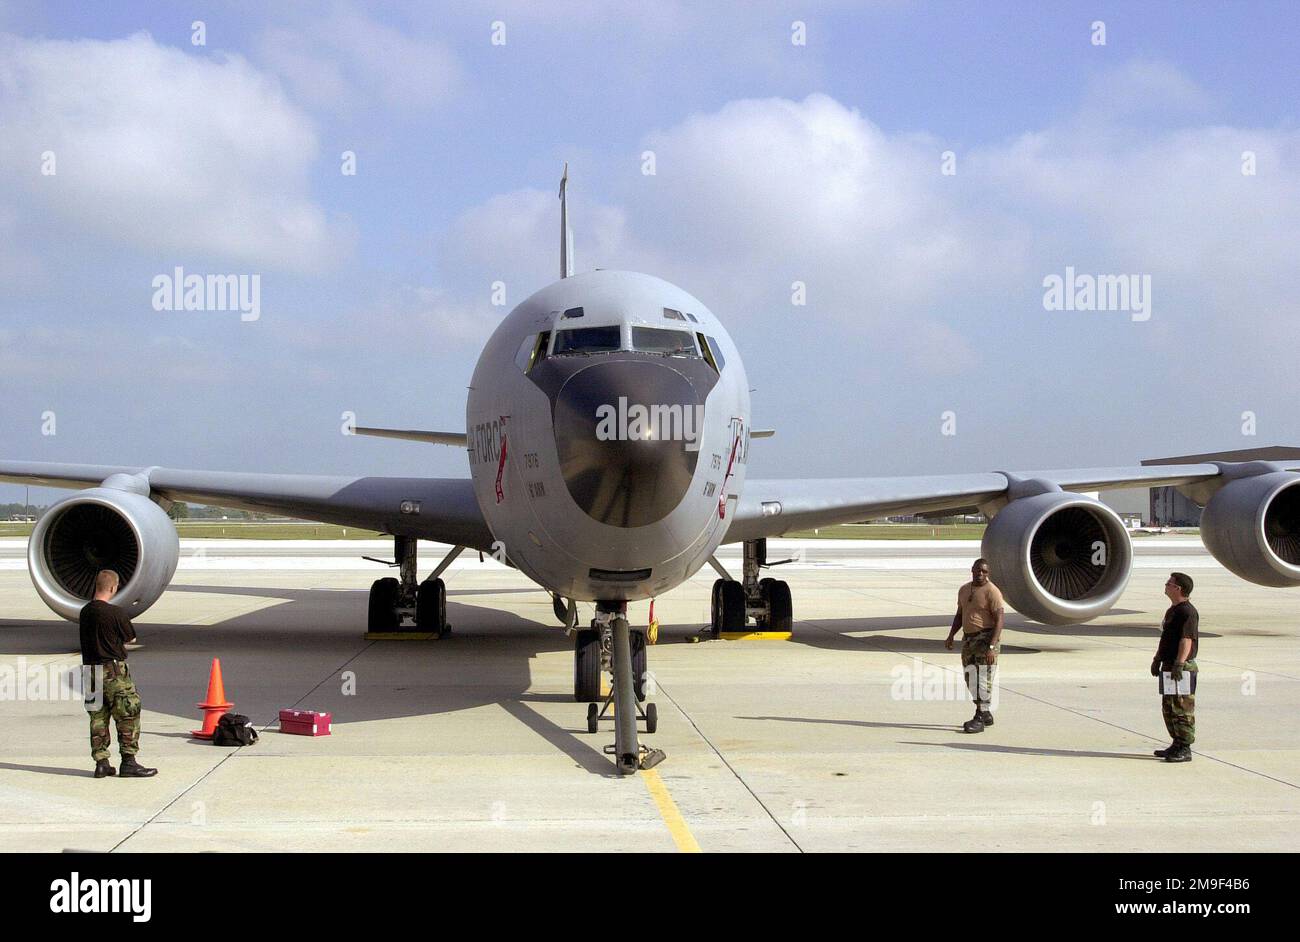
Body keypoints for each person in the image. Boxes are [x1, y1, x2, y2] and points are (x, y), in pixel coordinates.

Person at [80, 570, 157, 778]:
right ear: (113, 588)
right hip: (112, 671)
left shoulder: (85, 612)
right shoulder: (116, 613)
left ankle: (101, 762)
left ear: (96, 585)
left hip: (90, 672)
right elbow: (130, 638)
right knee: (127, 714)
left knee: (97, 717)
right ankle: (129, 761)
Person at [945, 558, 1005, 733]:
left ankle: (979, 716)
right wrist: (951, 635)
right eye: (978, 570)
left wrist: (992, 646)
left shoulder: (992, 592)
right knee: (970, 678)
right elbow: (960, 614)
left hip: (986, 638)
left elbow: (1000, 619)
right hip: (969, 639)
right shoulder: (964, 590)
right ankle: (985, 713)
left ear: (988, 573)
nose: (981, 574)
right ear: (972, 570)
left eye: (984, 572)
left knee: (983, 680)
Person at [1151, 572, 1198, 763]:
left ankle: (1185, 747)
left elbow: (1186, 640)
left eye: (1169, 584)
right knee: (1169, 706)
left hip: (1181, 667)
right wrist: (1158, 659)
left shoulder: (1187, 612)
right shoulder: (1173, 610)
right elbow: (1166, 638)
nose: (1166, 585)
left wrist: (1179, 664)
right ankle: (1176, 743)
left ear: (1178, 589)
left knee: (1182, 708)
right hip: (1169, 664)